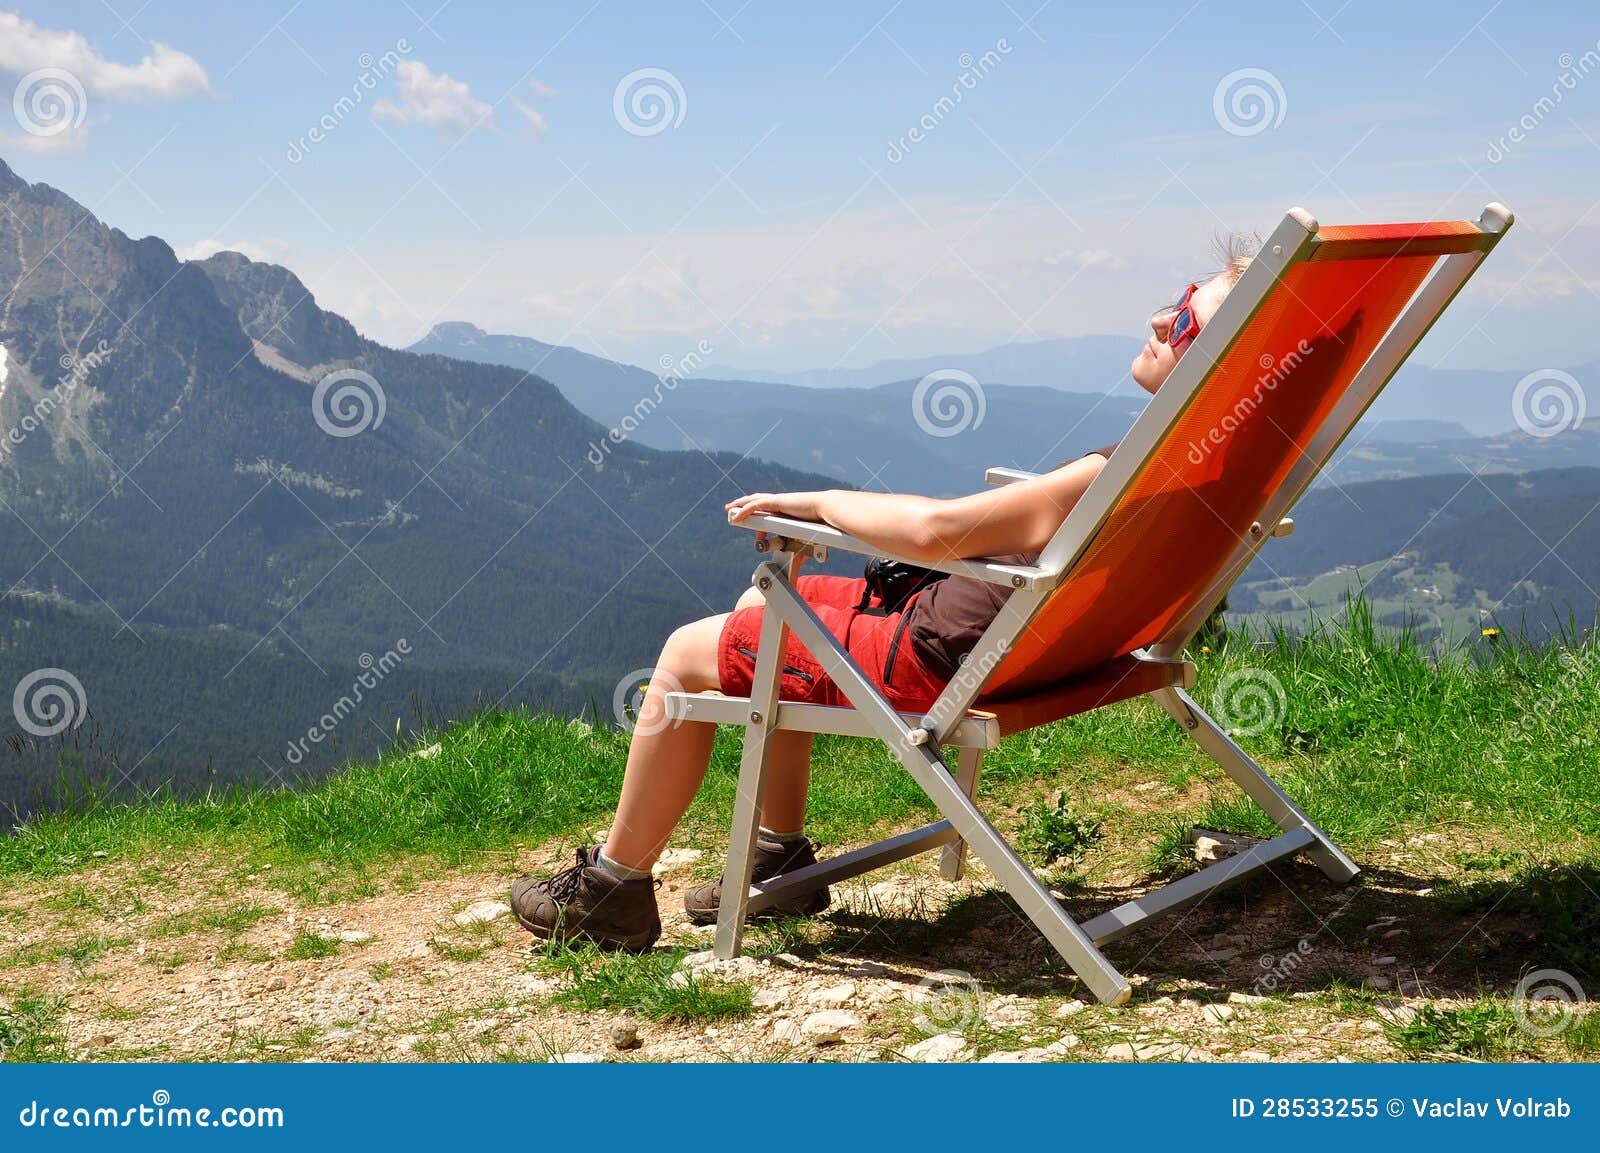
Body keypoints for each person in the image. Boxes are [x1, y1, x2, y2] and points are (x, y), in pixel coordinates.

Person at [510, 242, 1254, 950]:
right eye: (1180, 299)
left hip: (938, 660)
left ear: (1218, 365)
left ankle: (612, 892)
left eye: (1188, 318)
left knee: (682, 655)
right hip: (1038, 650)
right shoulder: (1207, 465)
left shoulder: (1117, 471)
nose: (1162, 317)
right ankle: (780, 858)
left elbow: (936, 532)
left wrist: (818, 502)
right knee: (761, 604)